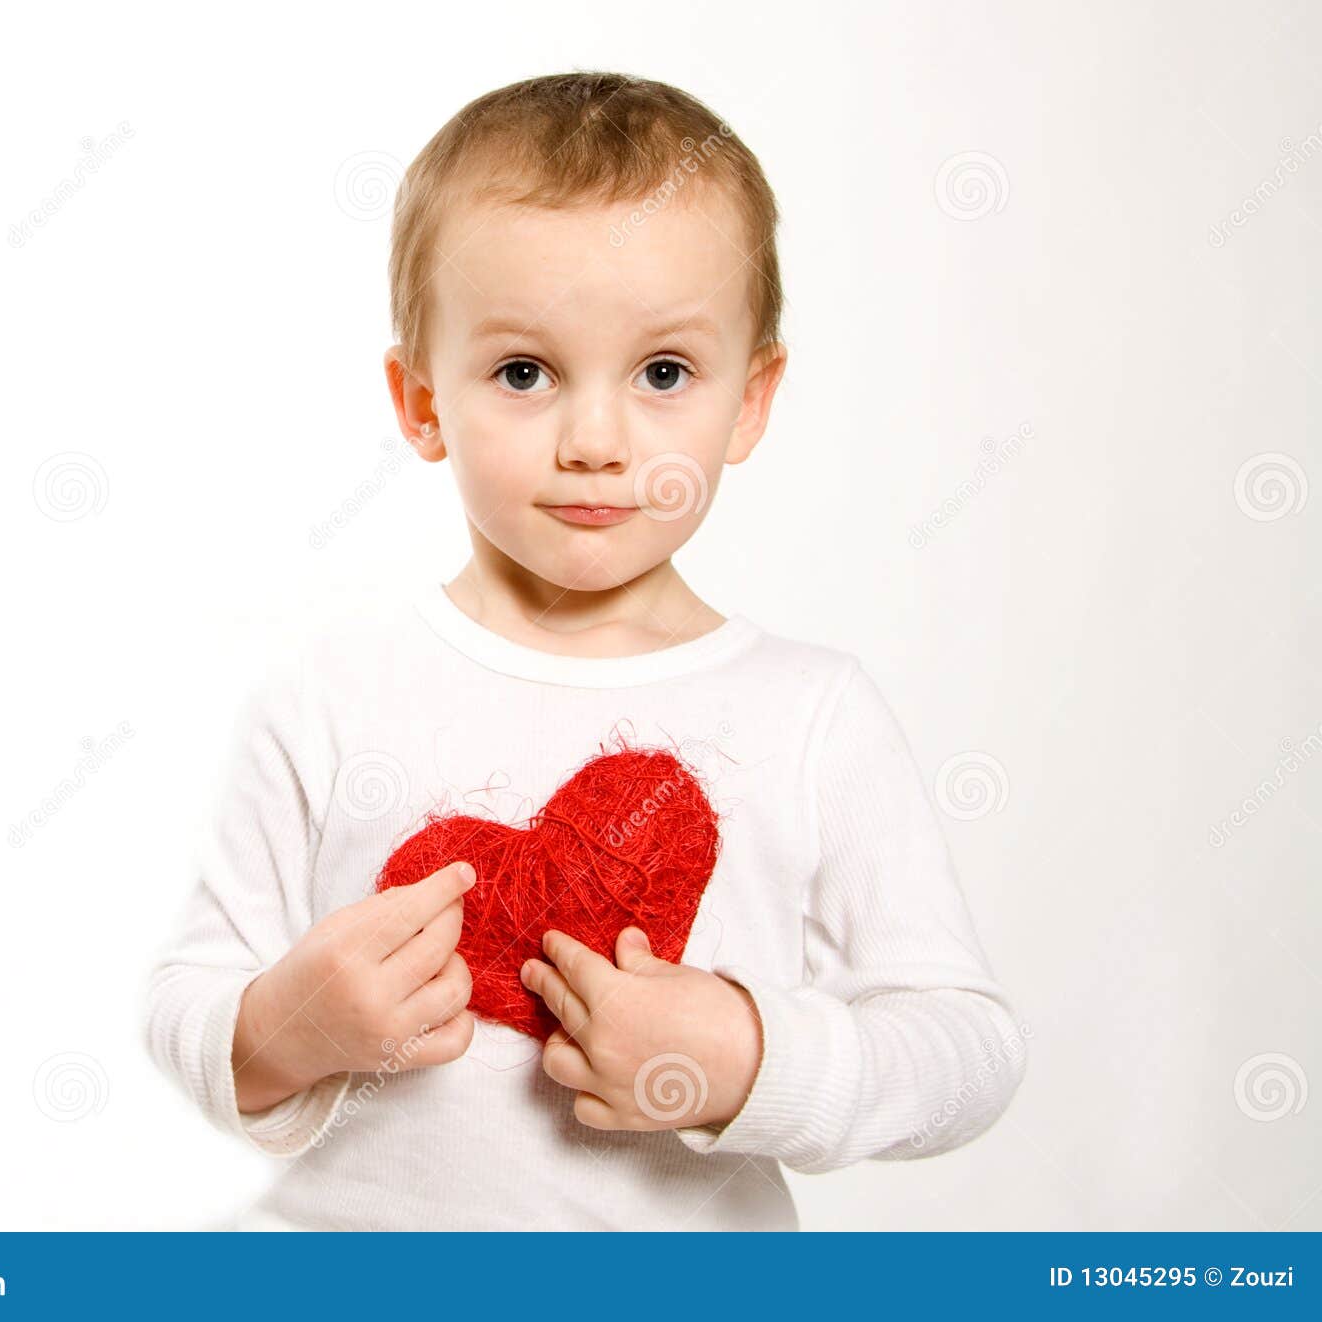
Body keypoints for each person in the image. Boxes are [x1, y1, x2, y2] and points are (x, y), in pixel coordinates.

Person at [142, 70, 1027, 1231]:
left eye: (663, 373)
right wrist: (275, 1032)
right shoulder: (326, 694)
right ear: (420, 401)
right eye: (524, 372)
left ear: (750, 400)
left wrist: (754, 1054)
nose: (597, 441)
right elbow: (184, 995)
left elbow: (966, 1049)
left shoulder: (810, 712)